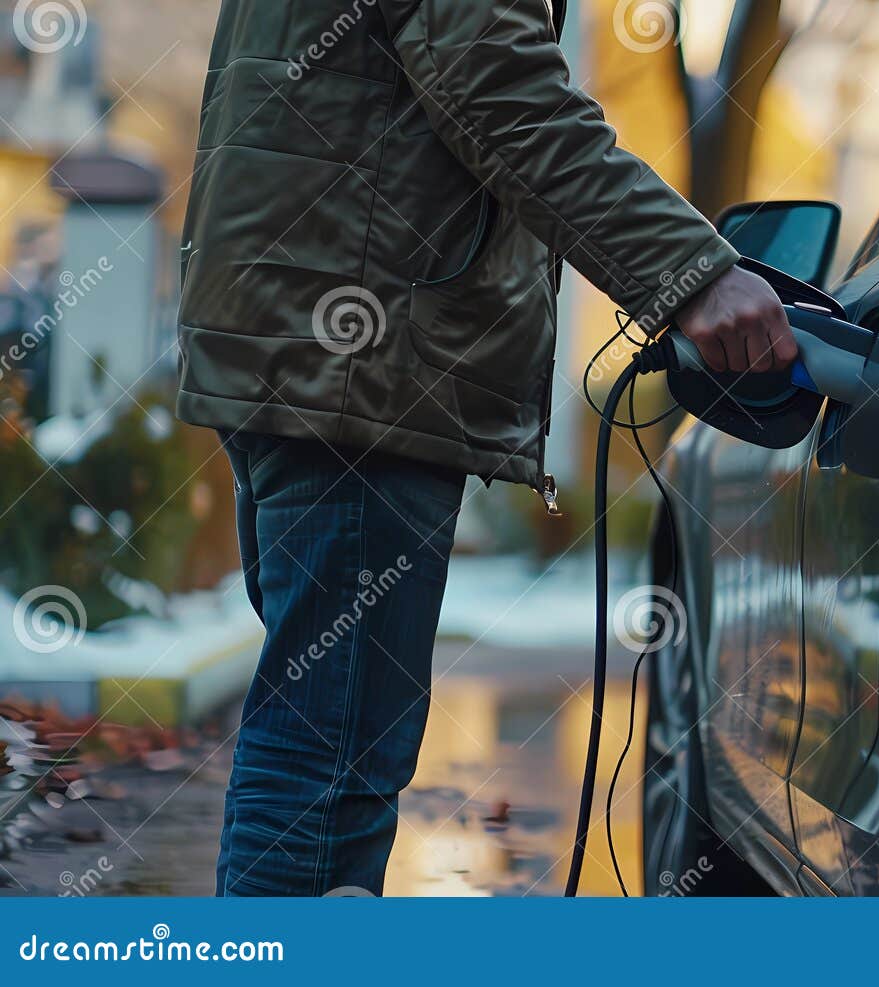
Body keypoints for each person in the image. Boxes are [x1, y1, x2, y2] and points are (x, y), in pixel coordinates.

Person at [175, 0, 795, 896]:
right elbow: (504, 94)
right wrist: (691, 273)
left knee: (318, 745)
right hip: (362, 359)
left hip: (309, 337)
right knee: (329, 768)